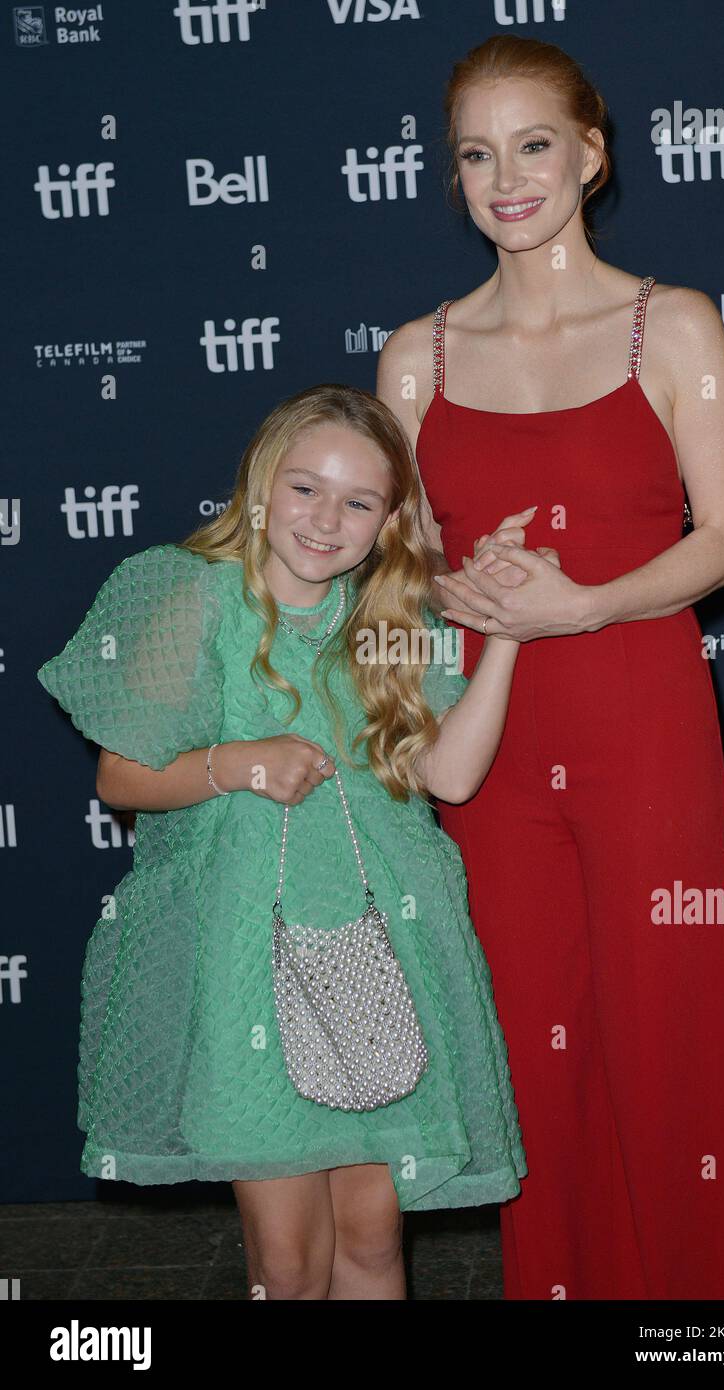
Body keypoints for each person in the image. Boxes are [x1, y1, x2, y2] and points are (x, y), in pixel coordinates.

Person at [377, 34, 724, 1299]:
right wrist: (472, 588)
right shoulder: (414, 358)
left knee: (672, 1035)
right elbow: (392, 565)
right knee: (530, 1048)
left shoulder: (672, 326)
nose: (506, 178)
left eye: (533, 144)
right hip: (488, 739)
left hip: (642, 718)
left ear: (591, 154)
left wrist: (582, 603)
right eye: (476, 155)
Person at [36, 383, 528, 1301]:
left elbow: (451, 777)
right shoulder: (185, 593)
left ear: (388, 520)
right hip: (245, 966)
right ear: (261, 488)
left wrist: (501, 635)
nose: (324, 519)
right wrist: (238, 763)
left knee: (375, 1242)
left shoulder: (390, 620)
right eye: (305, 489)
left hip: (380, 956)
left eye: (358, 501)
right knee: (289, 1266)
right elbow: (122, 779)